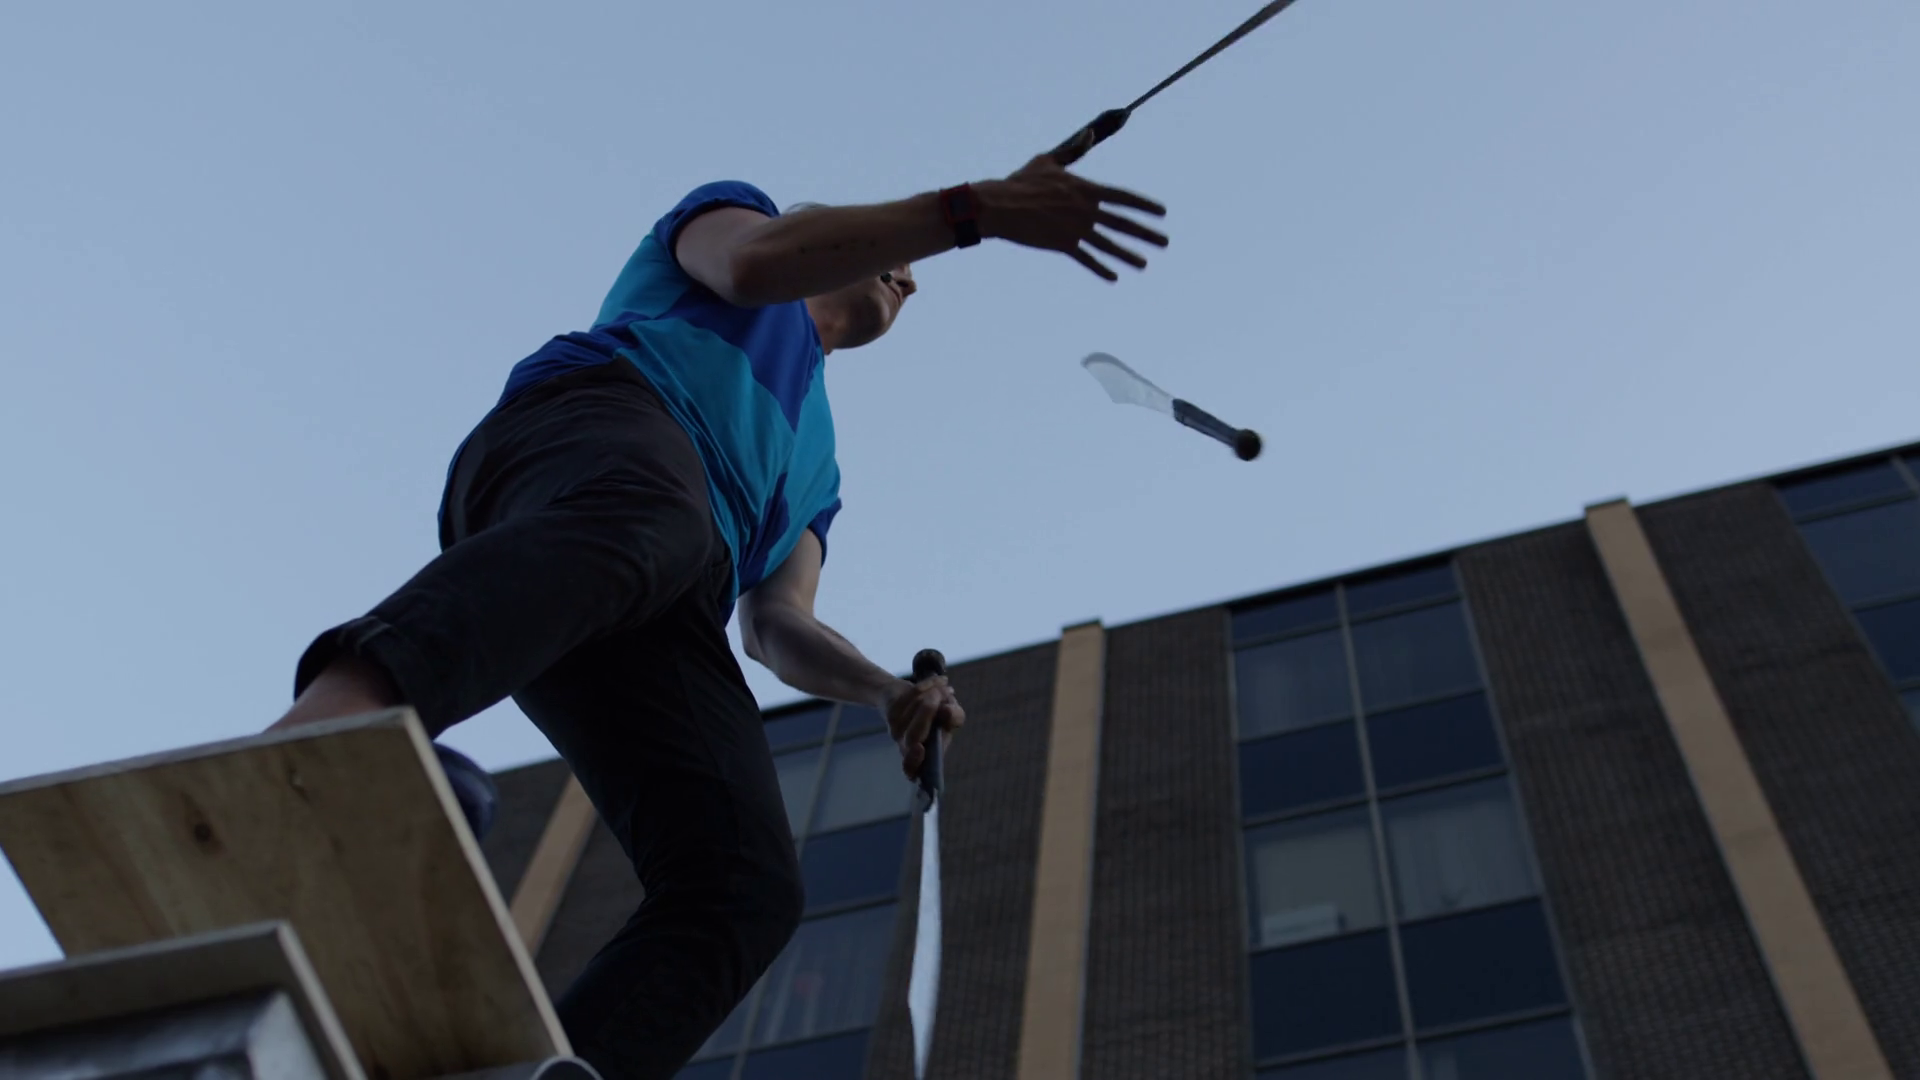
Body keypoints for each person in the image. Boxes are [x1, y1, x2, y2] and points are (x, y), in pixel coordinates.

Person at [266, 151, 1168, 1080]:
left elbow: (775, 625)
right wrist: (970, 210)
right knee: (662, 518)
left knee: (747, 883)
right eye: (891, 252)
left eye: (911, 269)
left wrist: (887, 692)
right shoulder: (736, 222)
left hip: (664, 580)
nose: (910, 277)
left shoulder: (819, 467)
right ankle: (319, 741)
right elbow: (752, 263)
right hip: (587, 432)